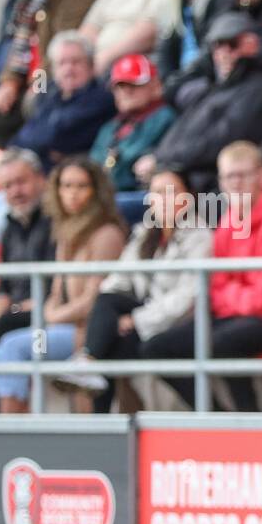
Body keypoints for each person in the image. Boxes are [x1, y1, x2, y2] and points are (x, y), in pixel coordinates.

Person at [140, 141, 262, 411]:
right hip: (240, 318)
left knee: (222, 342)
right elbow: (215, 287)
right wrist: (237, 296)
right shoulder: (230, 220)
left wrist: (231, 295)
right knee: (156, 348)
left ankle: (249, 421)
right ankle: (216, 418)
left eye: (242, 175)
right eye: (228, 176)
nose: (234, 184)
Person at [54, 168, 214, 413]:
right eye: (158, 192)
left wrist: (137, 319)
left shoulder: (201, 237)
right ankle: (90, 372)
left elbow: (187, 299)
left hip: (177, 322)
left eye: (172, 192)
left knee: (112, 349)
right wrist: (116, 319)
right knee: (108, 305)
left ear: (188, 198)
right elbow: (116, 281)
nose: (163, 199)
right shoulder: (144, 234)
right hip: (138, 318)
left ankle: (91, 374)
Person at [0, 157, 126, 414]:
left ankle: (12, 434)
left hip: (83, 335)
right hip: (54, 330)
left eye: (81, 186)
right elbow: (54, 293)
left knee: (13, 347)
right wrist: (51, 313)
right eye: (66, 186)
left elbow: (93, 301)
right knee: (0, 352)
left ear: (96, 190)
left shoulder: (106, 233)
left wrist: (52, 315)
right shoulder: (66, 233)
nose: (72, 194)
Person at [147, 11, 262, 191]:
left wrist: (164, 160)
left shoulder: (257, 88)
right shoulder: (209, 87)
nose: (224, 53)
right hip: (182, 178)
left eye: (232, 44)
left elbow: (223, 139)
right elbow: (181, 129)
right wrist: (159, 157)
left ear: (251, 44)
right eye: (217, 45)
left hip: (210, 187)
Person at [0, 0, 97, 148]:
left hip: (52, 75)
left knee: (32, 104)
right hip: (30, 76)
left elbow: (62, 46)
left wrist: (36, 82)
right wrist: (9, 82)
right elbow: (18, 44)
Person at [9, 33, 117, 171]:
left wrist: (33, 143)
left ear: (91, 65)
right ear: (54, 69)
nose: (69, 69)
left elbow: (55, 136)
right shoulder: (49, 94)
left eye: (76, 62)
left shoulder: (102, 98)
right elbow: (23, 136)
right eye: (62, 63)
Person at [90, 53, 177, 225]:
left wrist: (155, 159)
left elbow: (171, 153)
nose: (126, 91)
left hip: (140, 195)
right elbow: (94, 164)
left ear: (155, 85)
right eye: (120, 86)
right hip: (107, 196)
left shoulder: (166, 117)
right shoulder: (110, 127)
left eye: (134, 84)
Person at [155, 0, 236, 109]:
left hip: (206, 78)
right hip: (182, 78)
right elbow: (164, 51)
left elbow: (211, 50)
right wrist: (166, 82)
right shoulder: (175, 2)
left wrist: (177, 82)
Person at [0, 149, 52, 347]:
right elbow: (4, 286)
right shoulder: (10, 225)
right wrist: (2, 304)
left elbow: (55, 287)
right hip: (14, 314)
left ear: (41, 178)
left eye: (21, 182)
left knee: (6, 329)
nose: (15, 192)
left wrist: (14, 309)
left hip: (45, 320)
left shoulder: (56, 221)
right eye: (8, 186)